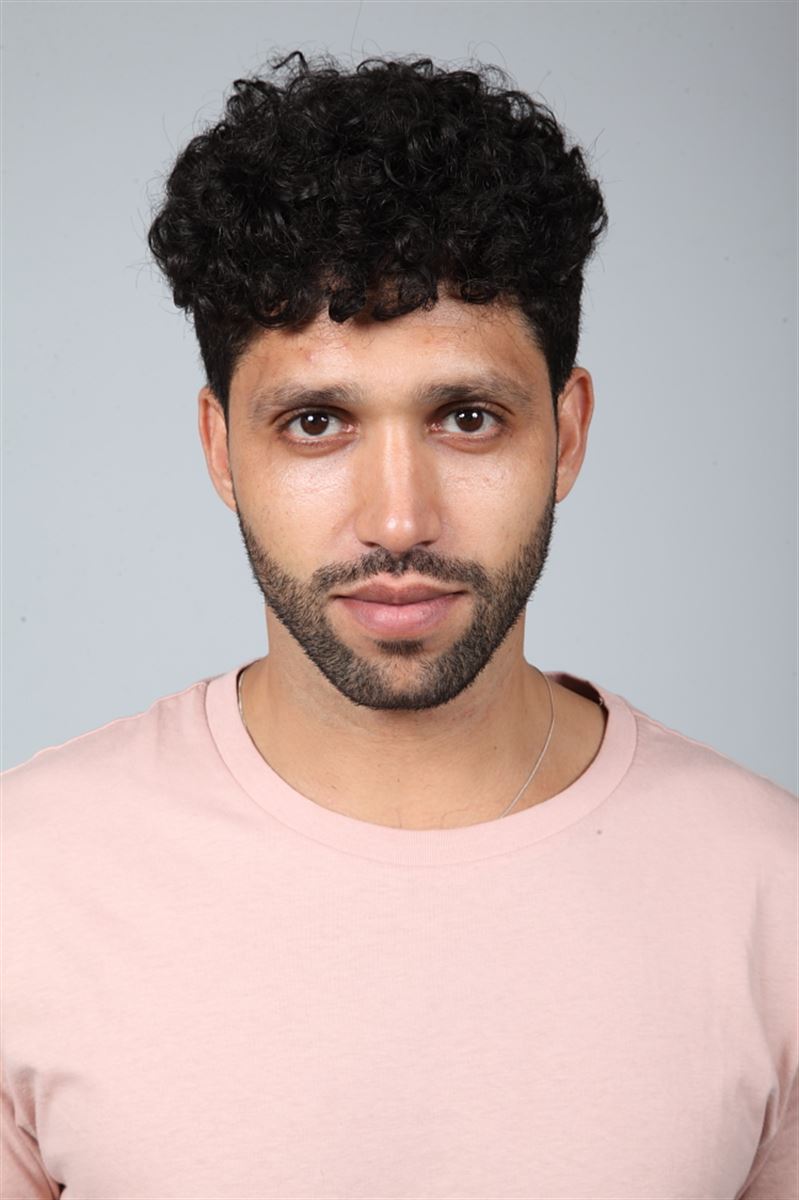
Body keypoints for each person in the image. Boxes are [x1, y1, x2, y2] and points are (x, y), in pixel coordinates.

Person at [2, 51, 795, 1200]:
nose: (397, 519)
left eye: (466, 417)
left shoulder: (770, 897)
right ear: (221, 449)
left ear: (567, 434)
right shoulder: (27, 886)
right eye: (315, 422)